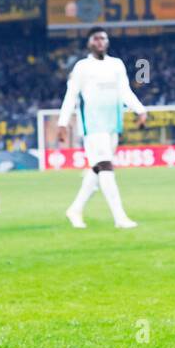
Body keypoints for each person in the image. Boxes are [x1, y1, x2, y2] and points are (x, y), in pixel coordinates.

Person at [57, 27, 147, 229]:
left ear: (107, 42)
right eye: (96, 39)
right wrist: (62, 123)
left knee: (97, 169)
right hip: (93, 125)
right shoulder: (82, 67)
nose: (100, 42)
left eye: (103, 38)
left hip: (113, 124)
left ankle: (75, 209)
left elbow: (125, 91)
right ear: (89, 43)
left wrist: (140, 110)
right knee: (106, 166)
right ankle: (120, 218)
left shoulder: (116, 64)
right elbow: (71, 95)